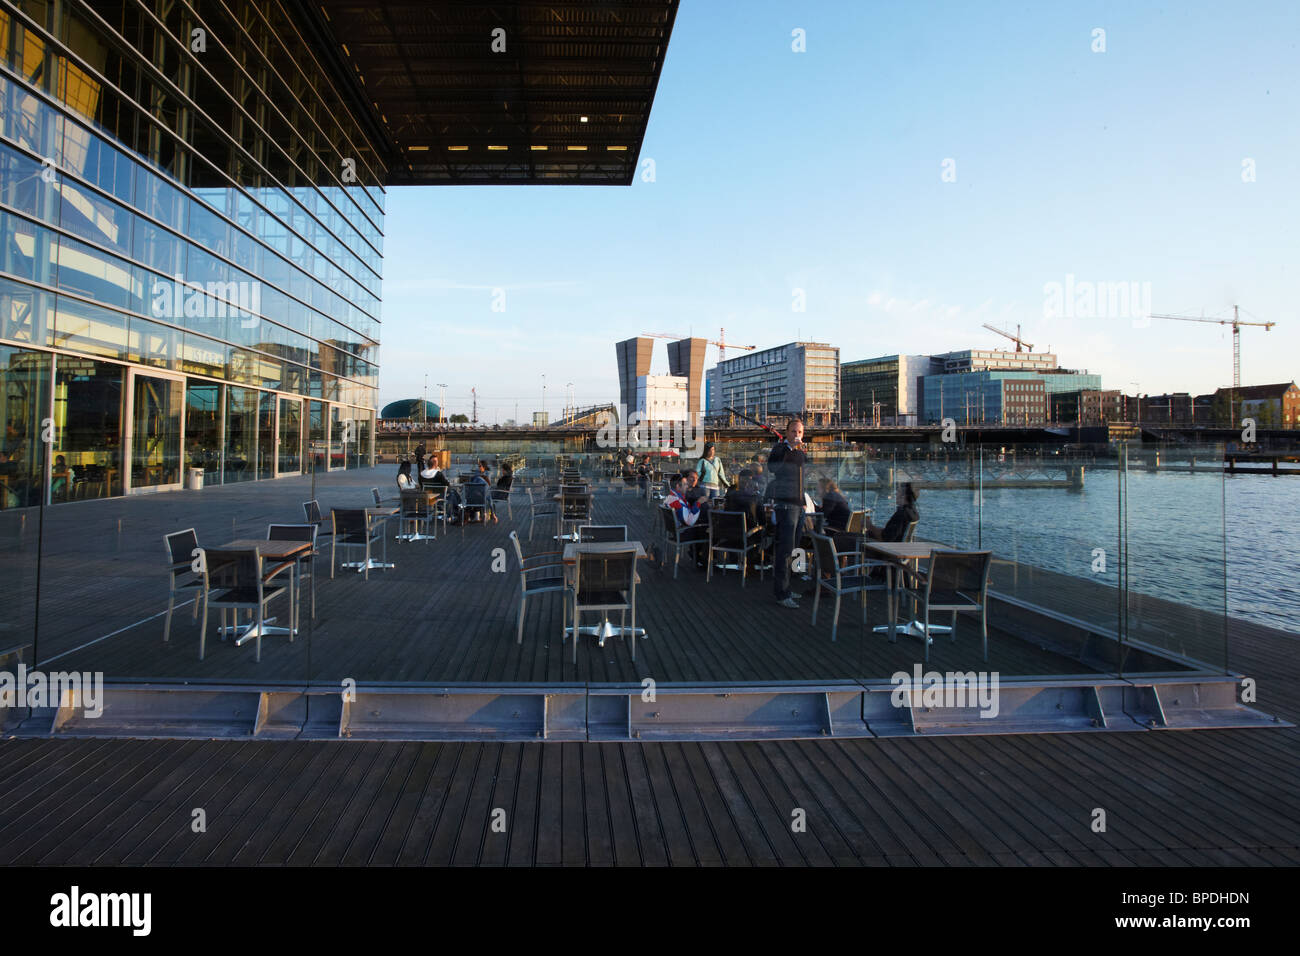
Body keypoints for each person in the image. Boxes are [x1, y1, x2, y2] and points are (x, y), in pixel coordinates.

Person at [767, 417, 807, 608]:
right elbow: (773, 468)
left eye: (799, 432)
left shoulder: (800, 452)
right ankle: (781, 593)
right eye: (793, 431)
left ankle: (788, 587)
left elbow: (802, 475)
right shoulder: (780, 449)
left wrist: (804, 502)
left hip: (799, 505)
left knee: (794, 548)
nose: (796, 435)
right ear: (787, 432)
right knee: (784, 550)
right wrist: (788, 447)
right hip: (785, 505)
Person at [665, 473, 708, 568]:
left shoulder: (670, 498)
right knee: (707, 531)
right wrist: (698, 503)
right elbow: (690, 522)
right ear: (678, 486)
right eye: (685, 484)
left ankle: (698, 557)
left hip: (675, 532)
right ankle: (703, 560)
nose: (687, 486)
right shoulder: (677, 502)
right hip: (681, 533)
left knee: (703, 528)